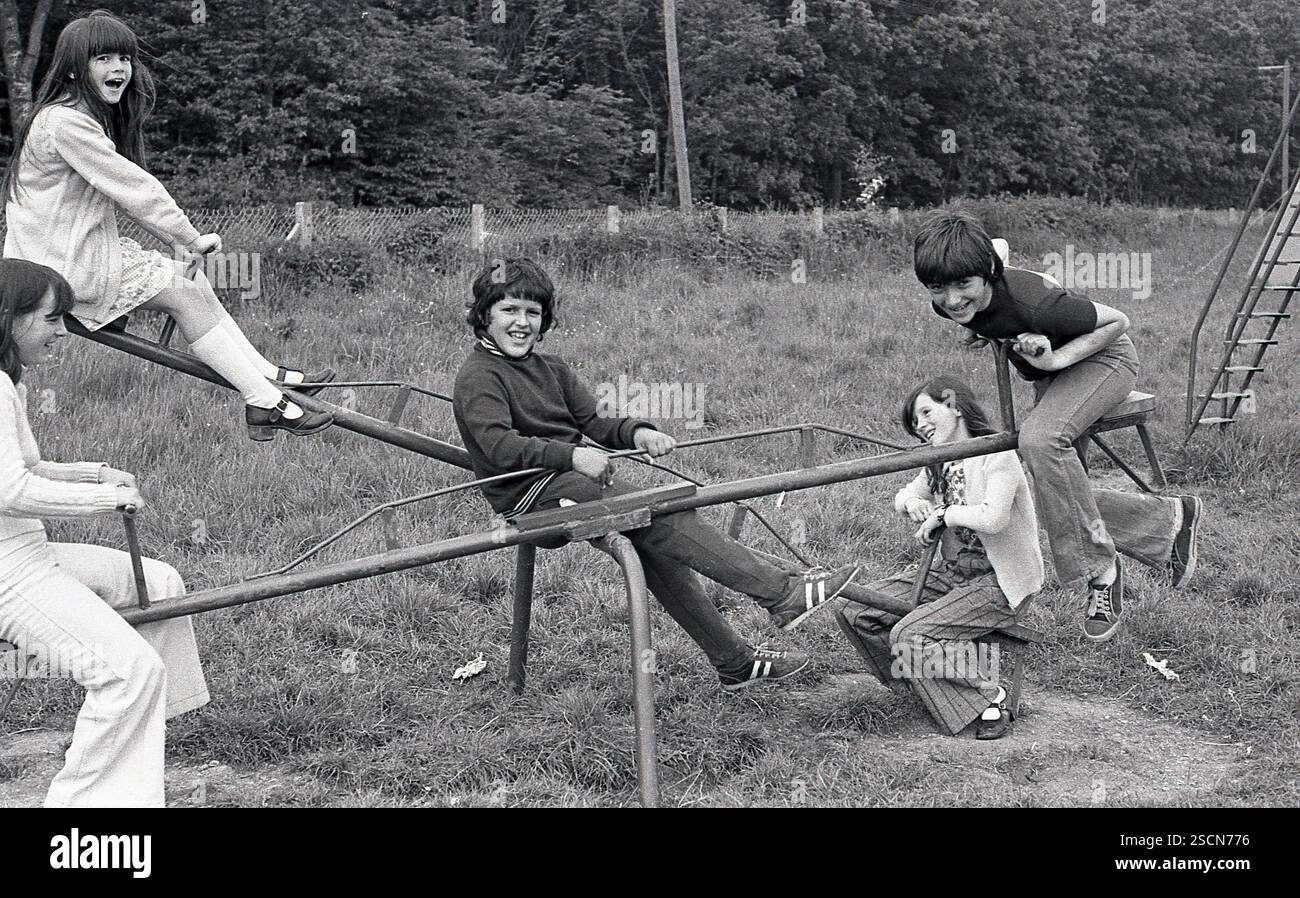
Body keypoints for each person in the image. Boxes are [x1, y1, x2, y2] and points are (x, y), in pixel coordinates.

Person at [452, 258, 860, 690]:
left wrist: (638, 432)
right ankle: (783, 594)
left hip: (574, 483)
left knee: (659, 551)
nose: (522, 323)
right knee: (663, 512)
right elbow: (497, 446)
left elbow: (596, 419)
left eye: (532, 313)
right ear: (484, 316)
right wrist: (570, 456)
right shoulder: (479, 377)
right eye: (509, 311)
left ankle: (733, 661)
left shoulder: (550, 368)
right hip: (534, 497)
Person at [2, 9, 333, 441]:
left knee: (192, 283)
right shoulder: (65, 124)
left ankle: (271, 376)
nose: (119, 68)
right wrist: (188, 238)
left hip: (65, 253)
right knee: (184, 293)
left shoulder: (70, 119)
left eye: (124, 58)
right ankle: (263, 402)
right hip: (59, 265)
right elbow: (135, 188)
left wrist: (183, 248)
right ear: (71, 69)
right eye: (102, 58)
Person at [912, 211, 1202, 642]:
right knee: (1046, 486)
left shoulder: (1038, 304)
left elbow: (1118, 321)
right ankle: (1167, 522)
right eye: (939, 288)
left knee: (1041, 440)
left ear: (988, 275)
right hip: (1055, 375)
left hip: (1104, 360)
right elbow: (1000, 248)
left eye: (963, 286)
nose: (952, 300)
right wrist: (988, 328)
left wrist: (1055, 360)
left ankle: (1100, 570)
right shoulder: (963, 287)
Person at [0, 259, 209, 807]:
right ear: (8, 317)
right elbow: (11, 492)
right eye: (51, 318)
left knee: (158, 585)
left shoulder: (5, 381)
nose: (61, 331)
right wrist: (104, 500)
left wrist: (93, 474)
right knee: (127, 673)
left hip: (28, 551)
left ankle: (142, 740)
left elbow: (27, 468)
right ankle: (84, 816)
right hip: (8, 570)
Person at [836, 376, 1043, 739]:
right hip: (955, 575)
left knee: (911, 633)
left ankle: (990, 695)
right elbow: (904, 496)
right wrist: (916, 504)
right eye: (916, 422)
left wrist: (944, 514)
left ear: (956, 406)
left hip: (1000, 583)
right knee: (855, 610)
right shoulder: (941, 460)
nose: (921, 426)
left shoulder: (997, 453)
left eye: (927, 413)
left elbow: (994, 518)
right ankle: (920, 683)